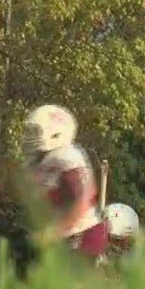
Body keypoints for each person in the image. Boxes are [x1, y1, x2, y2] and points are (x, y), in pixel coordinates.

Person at [20, 105, 108, 263]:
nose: (29, 137)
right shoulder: (39, 160)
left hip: (81, 235)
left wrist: (54, 232)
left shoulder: (66, 156)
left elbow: (82, 200)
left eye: (35, 132)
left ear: (55, 133)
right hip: (63, 237)